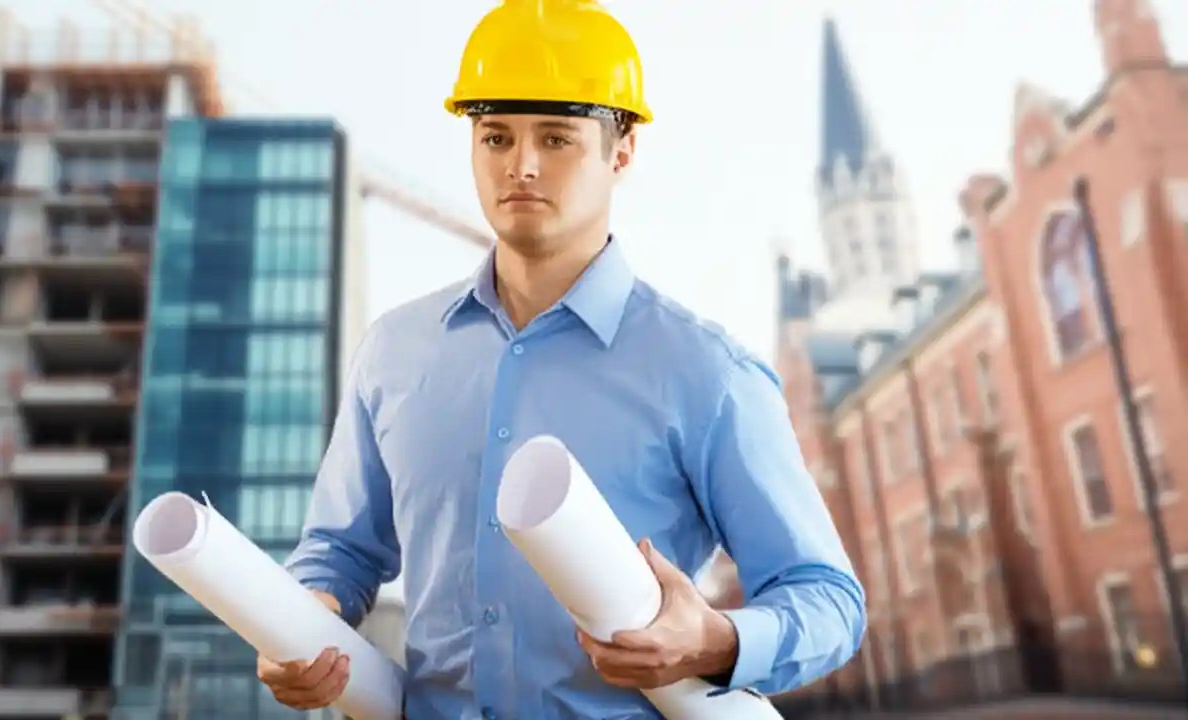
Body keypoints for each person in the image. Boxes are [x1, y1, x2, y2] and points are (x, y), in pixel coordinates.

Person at [257, 1, 866, 717]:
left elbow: (827, 600)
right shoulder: (394, 353)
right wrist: (304, 616)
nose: (520, 165)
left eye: (555, 138)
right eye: (495, 137)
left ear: (622, 150)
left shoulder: (707, 373)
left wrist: (718, 639)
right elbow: (340, 550)